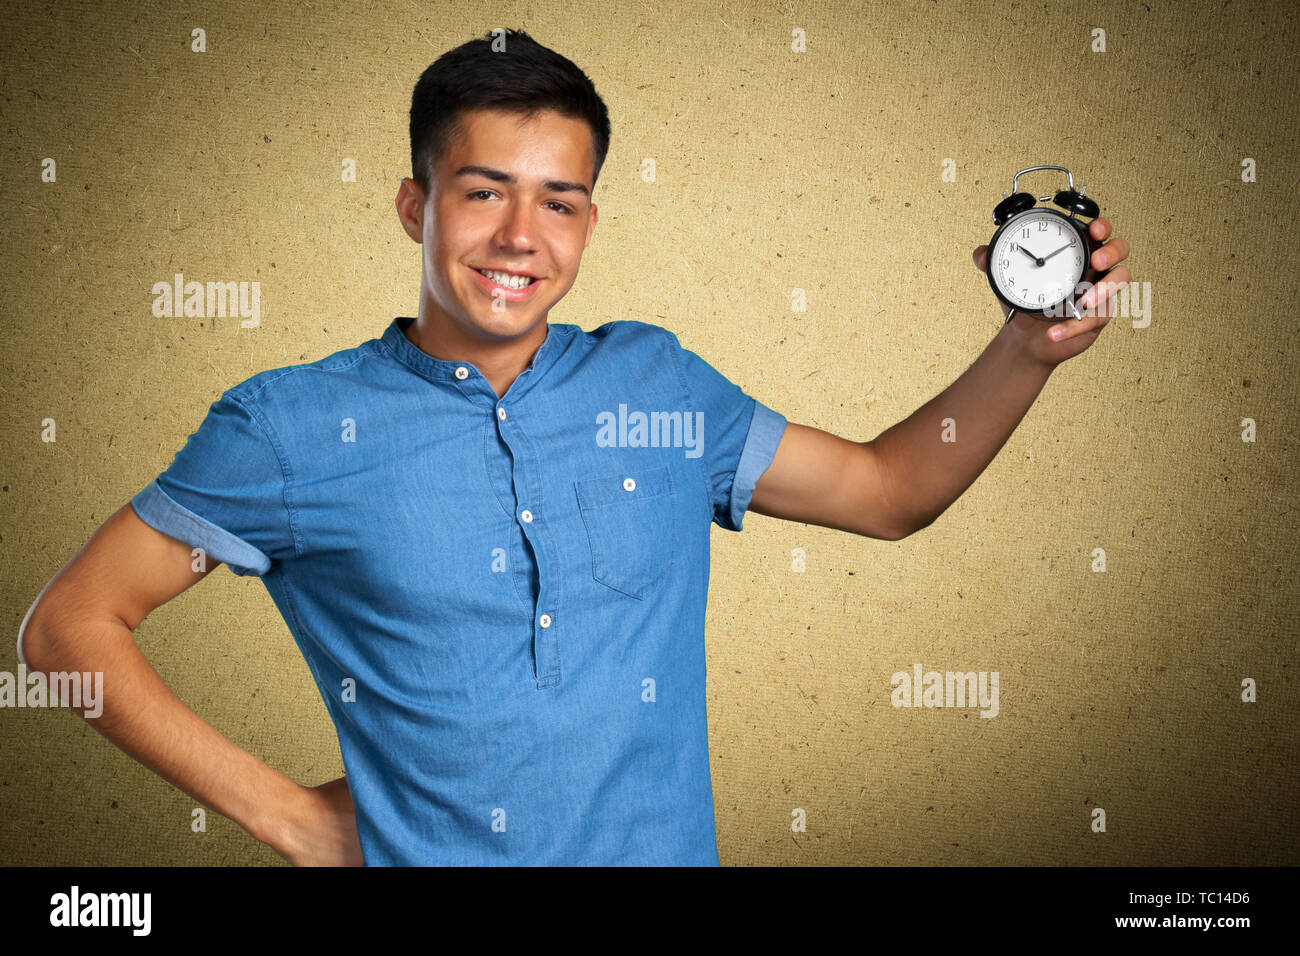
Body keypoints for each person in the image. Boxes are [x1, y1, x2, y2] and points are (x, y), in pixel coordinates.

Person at [18, 28, 1132, 866]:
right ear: (416, 206)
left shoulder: (657, 383)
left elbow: (892, 489)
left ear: (589, 221)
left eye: (559, 201)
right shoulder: (288, 427)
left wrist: (1023, 348)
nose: (519, 237)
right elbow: (69, 624)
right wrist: (293, 818)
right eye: (483, 191)